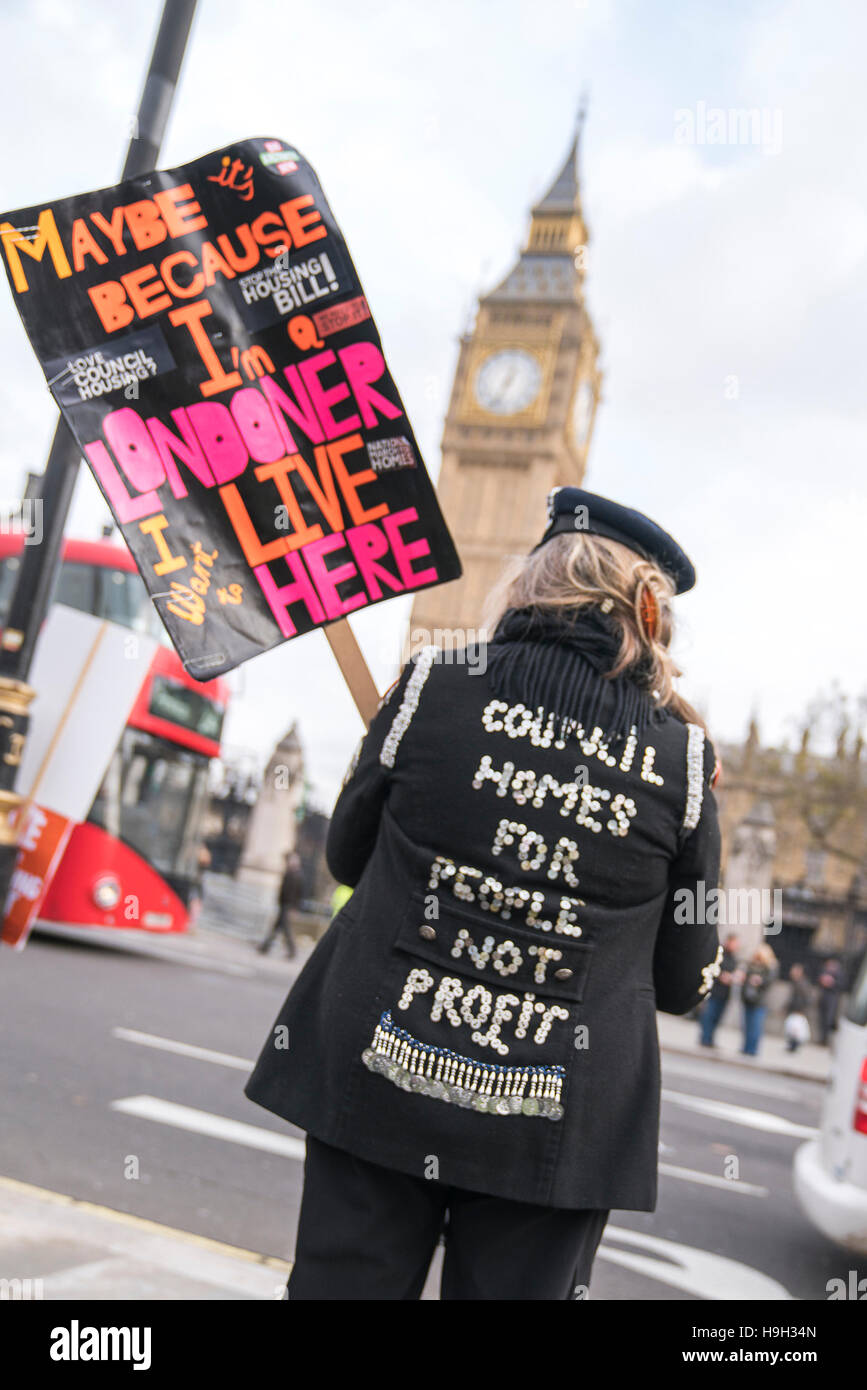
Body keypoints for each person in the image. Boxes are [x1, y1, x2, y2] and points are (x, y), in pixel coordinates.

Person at [245, 487, 723, 1301]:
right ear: (647, 612)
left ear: (531, 581)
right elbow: (685, 981)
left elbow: (348, 856)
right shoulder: (682, 763)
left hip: (379, 1068)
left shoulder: (430, 686)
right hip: (555, 1119)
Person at [698, 932, 741, 1047]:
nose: (736, 946)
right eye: (734, 943)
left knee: (717, 1017)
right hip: (714, 991)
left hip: (725, 993)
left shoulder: (734, 958)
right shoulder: (719, 954)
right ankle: (705, 1039)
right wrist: (721, 976)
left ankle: (710, 1039)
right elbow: (711, 968)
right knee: (709, 1016)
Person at [258, 852, 303, 959]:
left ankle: (291, 950)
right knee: (276, 927)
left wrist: (295, 907)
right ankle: (265, 947)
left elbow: (299, 894)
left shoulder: (297, 875)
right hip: (283, 904)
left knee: (285, 929)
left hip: (288, 905)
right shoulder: (289, 873)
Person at [740, 944, 777, 1056]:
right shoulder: (750, 966)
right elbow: (744, 979)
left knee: (755, 1026)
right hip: (748, 998)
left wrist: (760, 980)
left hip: (760, 1001)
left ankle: (752, 1049)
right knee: (747, 1025)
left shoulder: (770, 968)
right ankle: (746, 1047)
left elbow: (769, 982)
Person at [783, 963, 813, 1052]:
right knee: (792, 1028)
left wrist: (799, 1009)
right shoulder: (797, 982)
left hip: (798, 1010)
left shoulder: (802, 983)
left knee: (796, 1029)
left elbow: (806, 998)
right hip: (795, 1010)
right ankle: (792, 1045)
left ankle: (794, 1045)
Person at [816, 957, 843, 1045]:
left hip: (832, 998)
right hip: (823, 997)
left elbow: (842, 985)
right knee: (821, 1019)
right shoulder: (824, 971)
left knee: (829, 1019)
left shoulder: (839, 974)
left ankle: (826, 1039)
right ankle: (821, 1038)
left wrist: (832, 982)